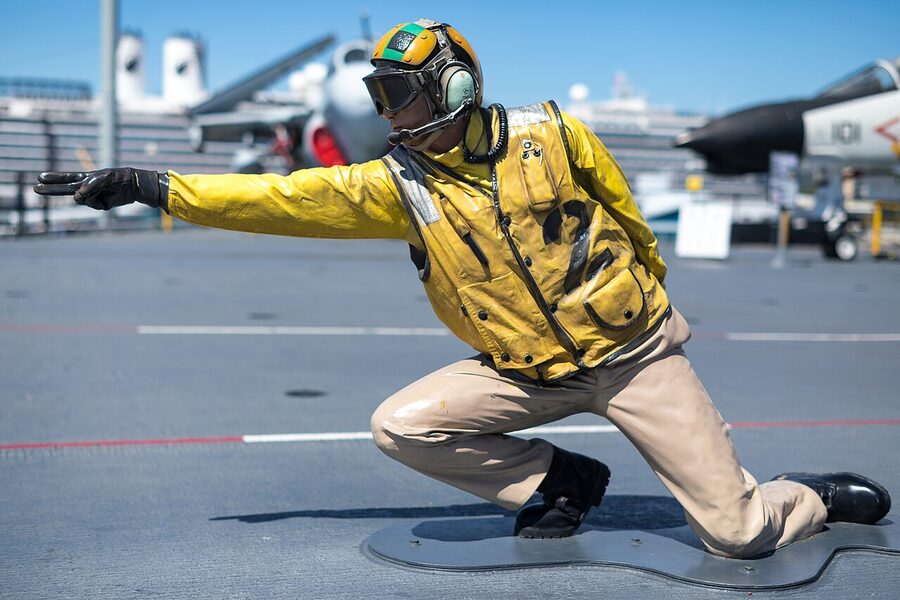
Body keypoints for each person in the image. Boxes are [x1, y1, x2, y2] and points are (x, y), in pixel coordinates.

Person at [36, 19, 890, 557]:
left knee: (737, 535)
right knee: (400, 427)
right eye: (384, 95)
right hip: (522, 370)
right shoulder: (395, 183)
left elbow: (629, 224)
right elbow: (280, 198)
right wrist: (156, 185)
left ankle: (807, 495)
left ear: (452, 83)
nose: (389, 112)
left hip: (631, 358)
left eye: (401, 94)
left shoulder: (553, 134)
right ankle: (559, 481)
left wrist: (640, 313)